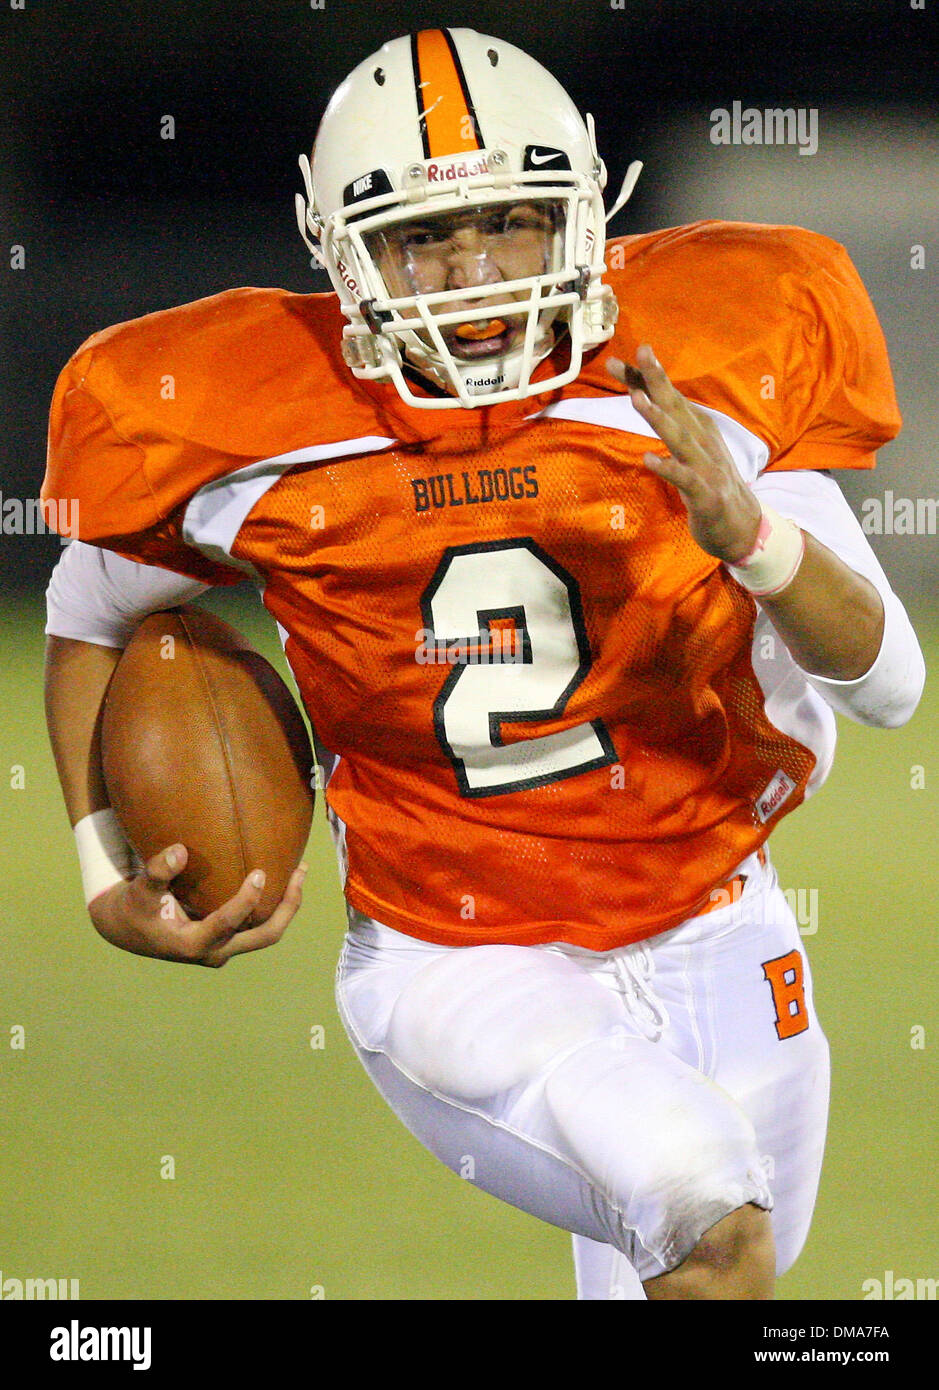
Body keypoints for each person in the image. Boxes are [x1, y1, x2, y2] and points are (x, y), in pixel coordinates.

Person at [42, 27, 924, 1300]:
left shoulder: (697, 376)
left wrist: (758, 539)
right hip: (462, 964)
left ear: (579, 214)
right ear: (341, 255)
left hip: (722, 921)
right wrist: (95, 863)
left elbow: (889, 684)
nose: (471, 270)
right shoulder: (264, 428)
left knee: (711, 1264)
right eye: (420, 238)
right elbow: (92, 603)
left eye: (508, 221)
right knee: (714, 1235)